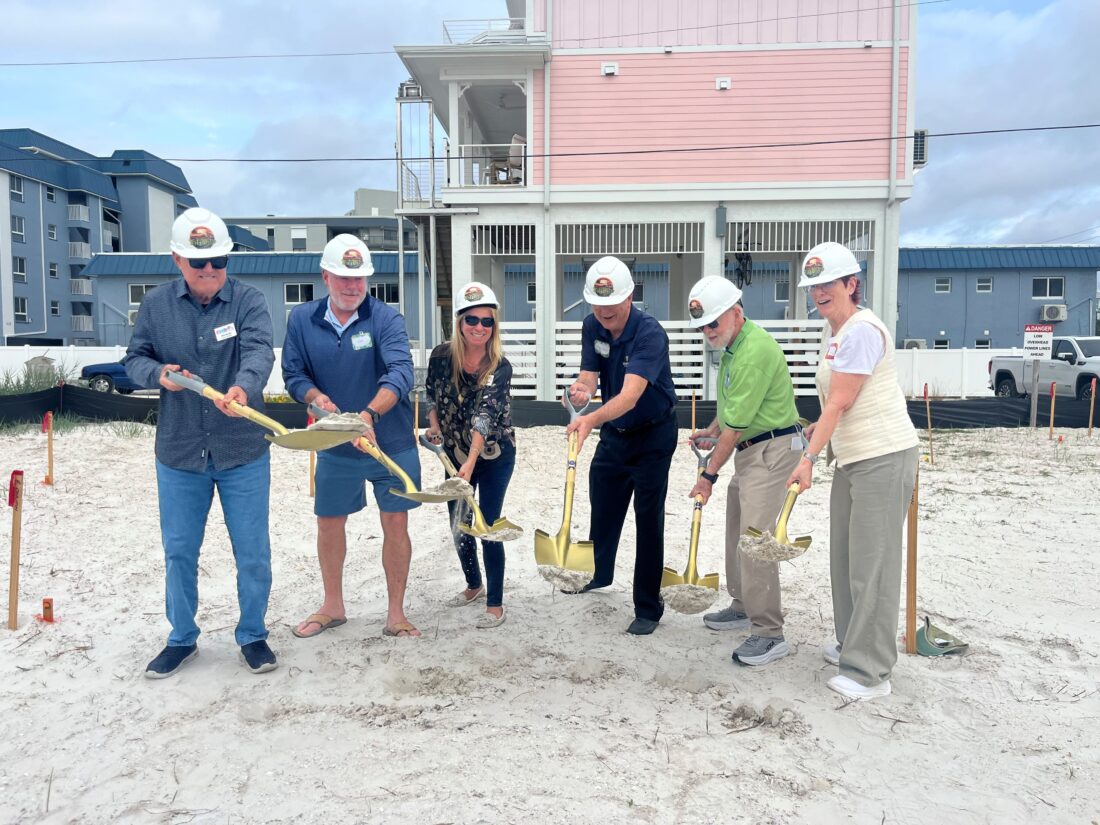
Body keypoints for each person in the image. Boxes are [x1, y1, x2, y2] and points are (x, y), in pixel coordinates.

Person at [124, 207, 277, 678]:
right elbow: (134, 359)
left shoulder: (249, 301)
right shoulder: (155, 306)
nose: (209, 270)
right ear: (177, 260)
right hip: (179, 452)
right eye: (198, 263)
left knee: (251, 550)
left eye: (217, 261)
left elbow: (258, 351)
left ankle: (252, 634)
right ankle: (181, 638)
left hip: (242, 450)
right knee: (179, 551)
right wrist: (158, 375)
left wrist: (243, 387)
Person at [786, 241, 919, 701]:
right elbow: (829, 402)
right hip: (851, 458)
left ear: (852, 284)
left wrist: (806, 459)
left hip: (882, 455)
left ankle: (870, 671)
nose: (819, 293)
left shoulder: (862, 329)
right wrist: (814, 445)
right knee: (845, 558)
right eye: (813, 286)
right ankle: (850, 643)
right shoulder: (836, 332)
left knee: (872, 564)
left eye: (828, 284)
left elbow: (842, 400)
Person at [281, 234, 422, 638]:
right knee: (329, 522)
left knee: (396, 522)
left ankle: (395, 614)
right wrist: (314, 397)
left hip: (388, 441)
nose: (352, 287)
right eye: (343, 277)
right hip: (334, 442)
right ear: (326, 276)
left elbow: (400, 372)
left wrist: (369, 413)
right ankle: (333, 605)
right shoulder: (302, 320)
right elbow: (294, 374)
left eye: (359, 279)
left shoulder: (386, 319)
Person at [686, 276, 805, 667]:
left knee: (756, 540)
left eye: (713, 324)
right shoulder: (734, 346)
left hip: (771, 451)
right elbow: (732, 412)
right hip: (751, 450)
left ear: (736, 313)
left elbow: (738, 424)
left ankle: (769, 633)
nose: (707, 332)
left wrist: (708, 476)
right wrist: (712, 430)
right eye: (703, 327)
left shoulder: (753, 351)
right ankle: (742, 605)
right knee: (738, 531)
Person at [563, 256, 678, 636]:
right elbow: (590, 375)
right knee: (604, 501)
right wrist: (582, 392)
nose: (603, 313)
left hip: (653, 434)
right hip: (615, 433)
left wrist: (590, 418)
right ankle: (599, 573)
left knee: (648, 519)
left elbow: (629, 396)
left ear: (630, 297)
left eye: (611, 307)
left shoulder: (649, 334)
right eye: (597, 306)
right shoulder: (592, 324)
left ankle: (648, 606)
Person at [425, 282, 515, 629]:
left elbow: (485, 415)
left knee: (488, 524)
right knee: (459, 523)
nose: (479, 327)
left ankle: (495, 602)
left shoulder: (499, 366)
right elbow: (431, 393)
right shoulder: (440, 357)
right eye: (472, 320)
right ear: (460, 322)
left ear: (494, 326)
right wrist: (433, 424)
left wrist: (471, 460)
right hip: (451, 452)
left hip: (493, 455)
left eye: (487, 321)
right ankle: (474, 585)